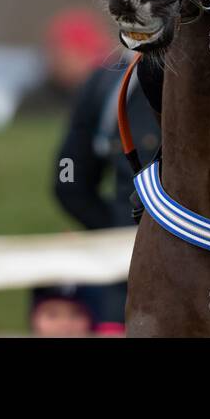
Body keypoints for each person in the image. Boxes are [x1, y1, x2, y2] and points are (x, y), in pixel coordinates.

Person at [53, 53, 159, 328]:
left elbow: (70, 186)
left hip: (129, 285)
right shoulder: (108, 81)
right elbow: (71, 185)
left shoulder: (108, 77)